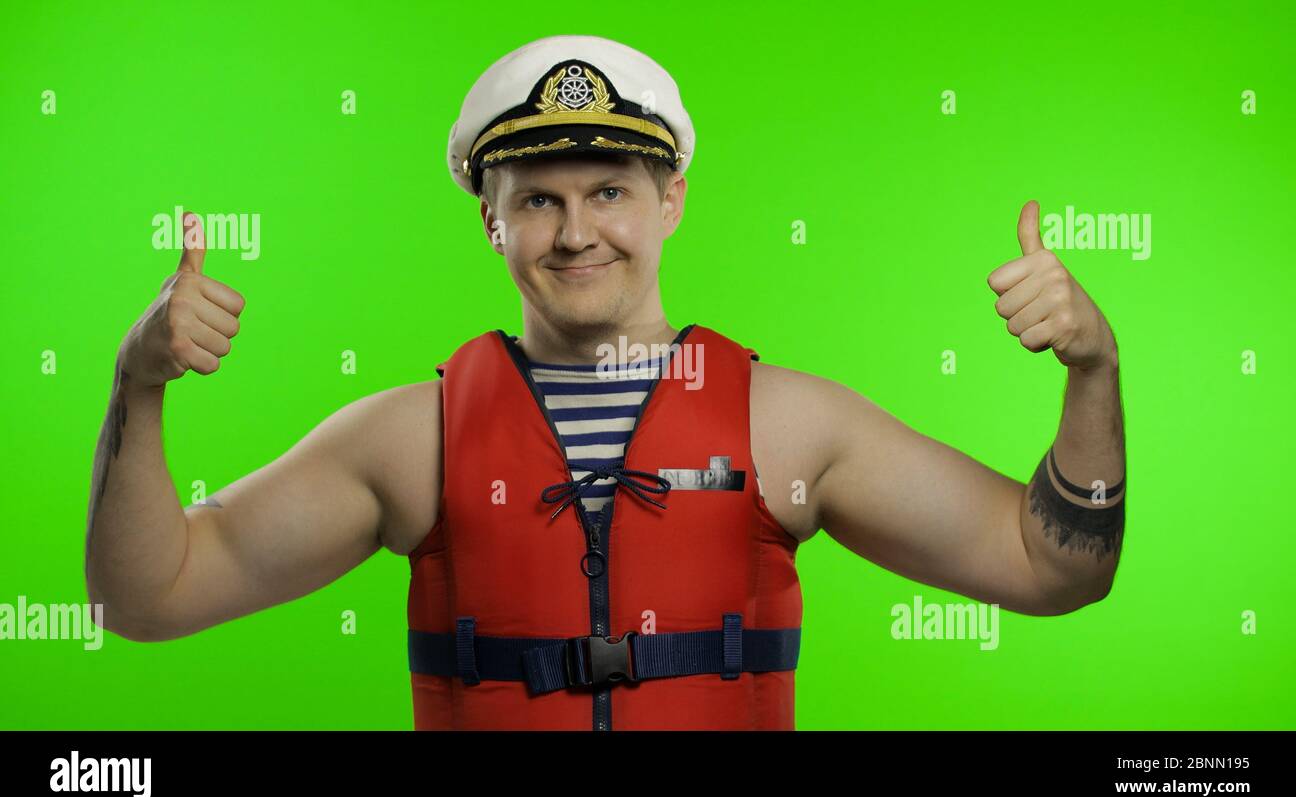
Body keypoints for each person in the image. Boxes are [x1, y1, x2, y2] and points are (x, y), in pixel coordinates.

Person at [84, 35, 1125, 730]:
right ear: (488, 220)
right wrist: (139, 384)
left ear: (670, 201)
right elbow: (146, 595)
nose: (576, 231)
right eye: (536, 198)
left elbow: (1052, 568)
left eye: (610, 190)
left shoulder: (791, 426)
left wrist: (1092, 370)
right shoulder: (410, 438)